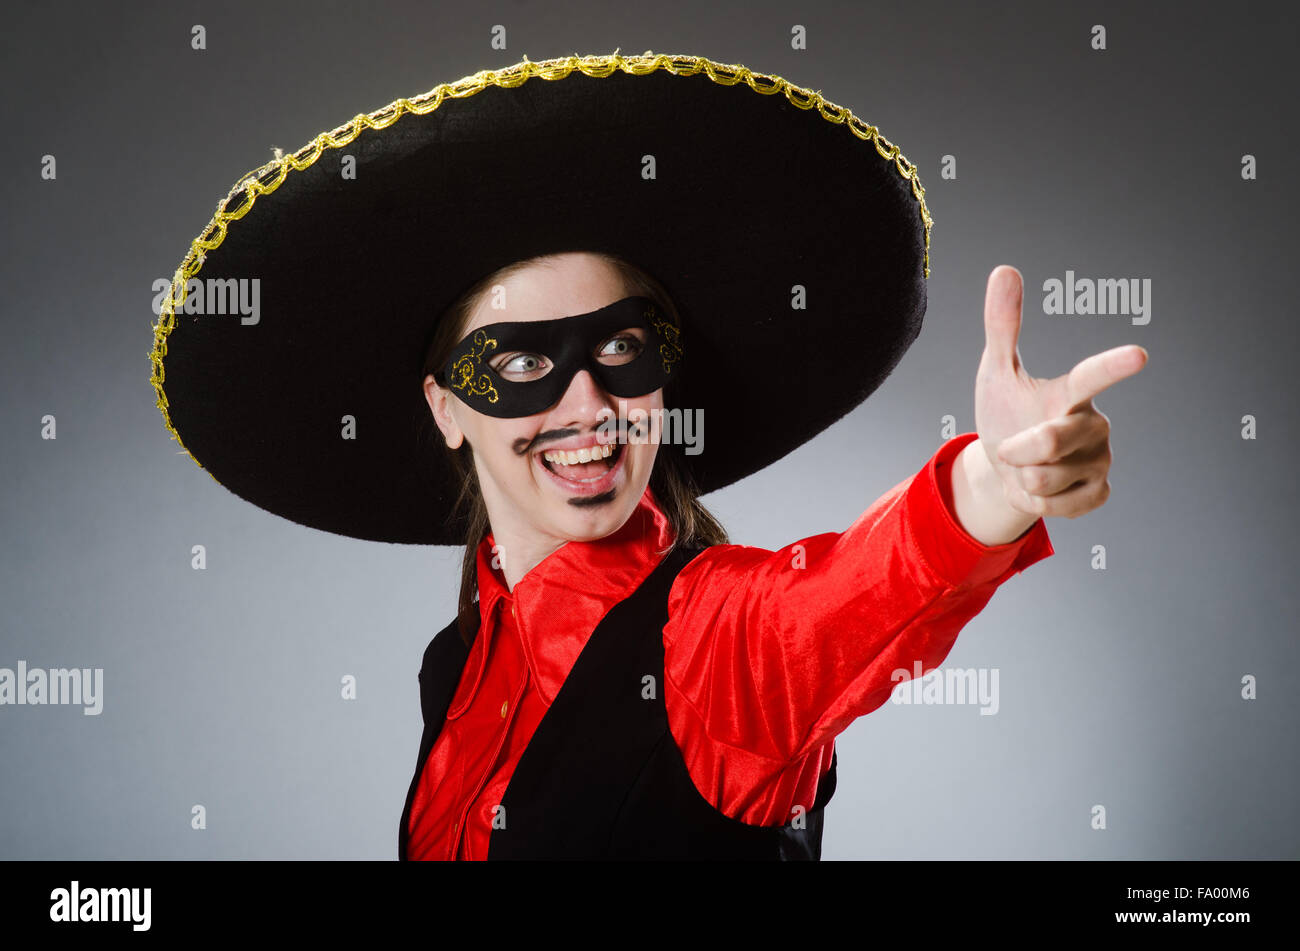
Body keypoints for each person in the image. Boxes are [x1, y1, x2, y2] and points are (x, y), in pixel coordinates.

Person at [150, 52, 1146, 861]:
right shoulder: (450, 665)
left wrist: (994, 481)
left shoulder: (717, 639)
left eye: (621, 350)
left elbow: (853, 596)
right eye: (525, 363)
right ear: (446, 408)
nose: (588, 404)